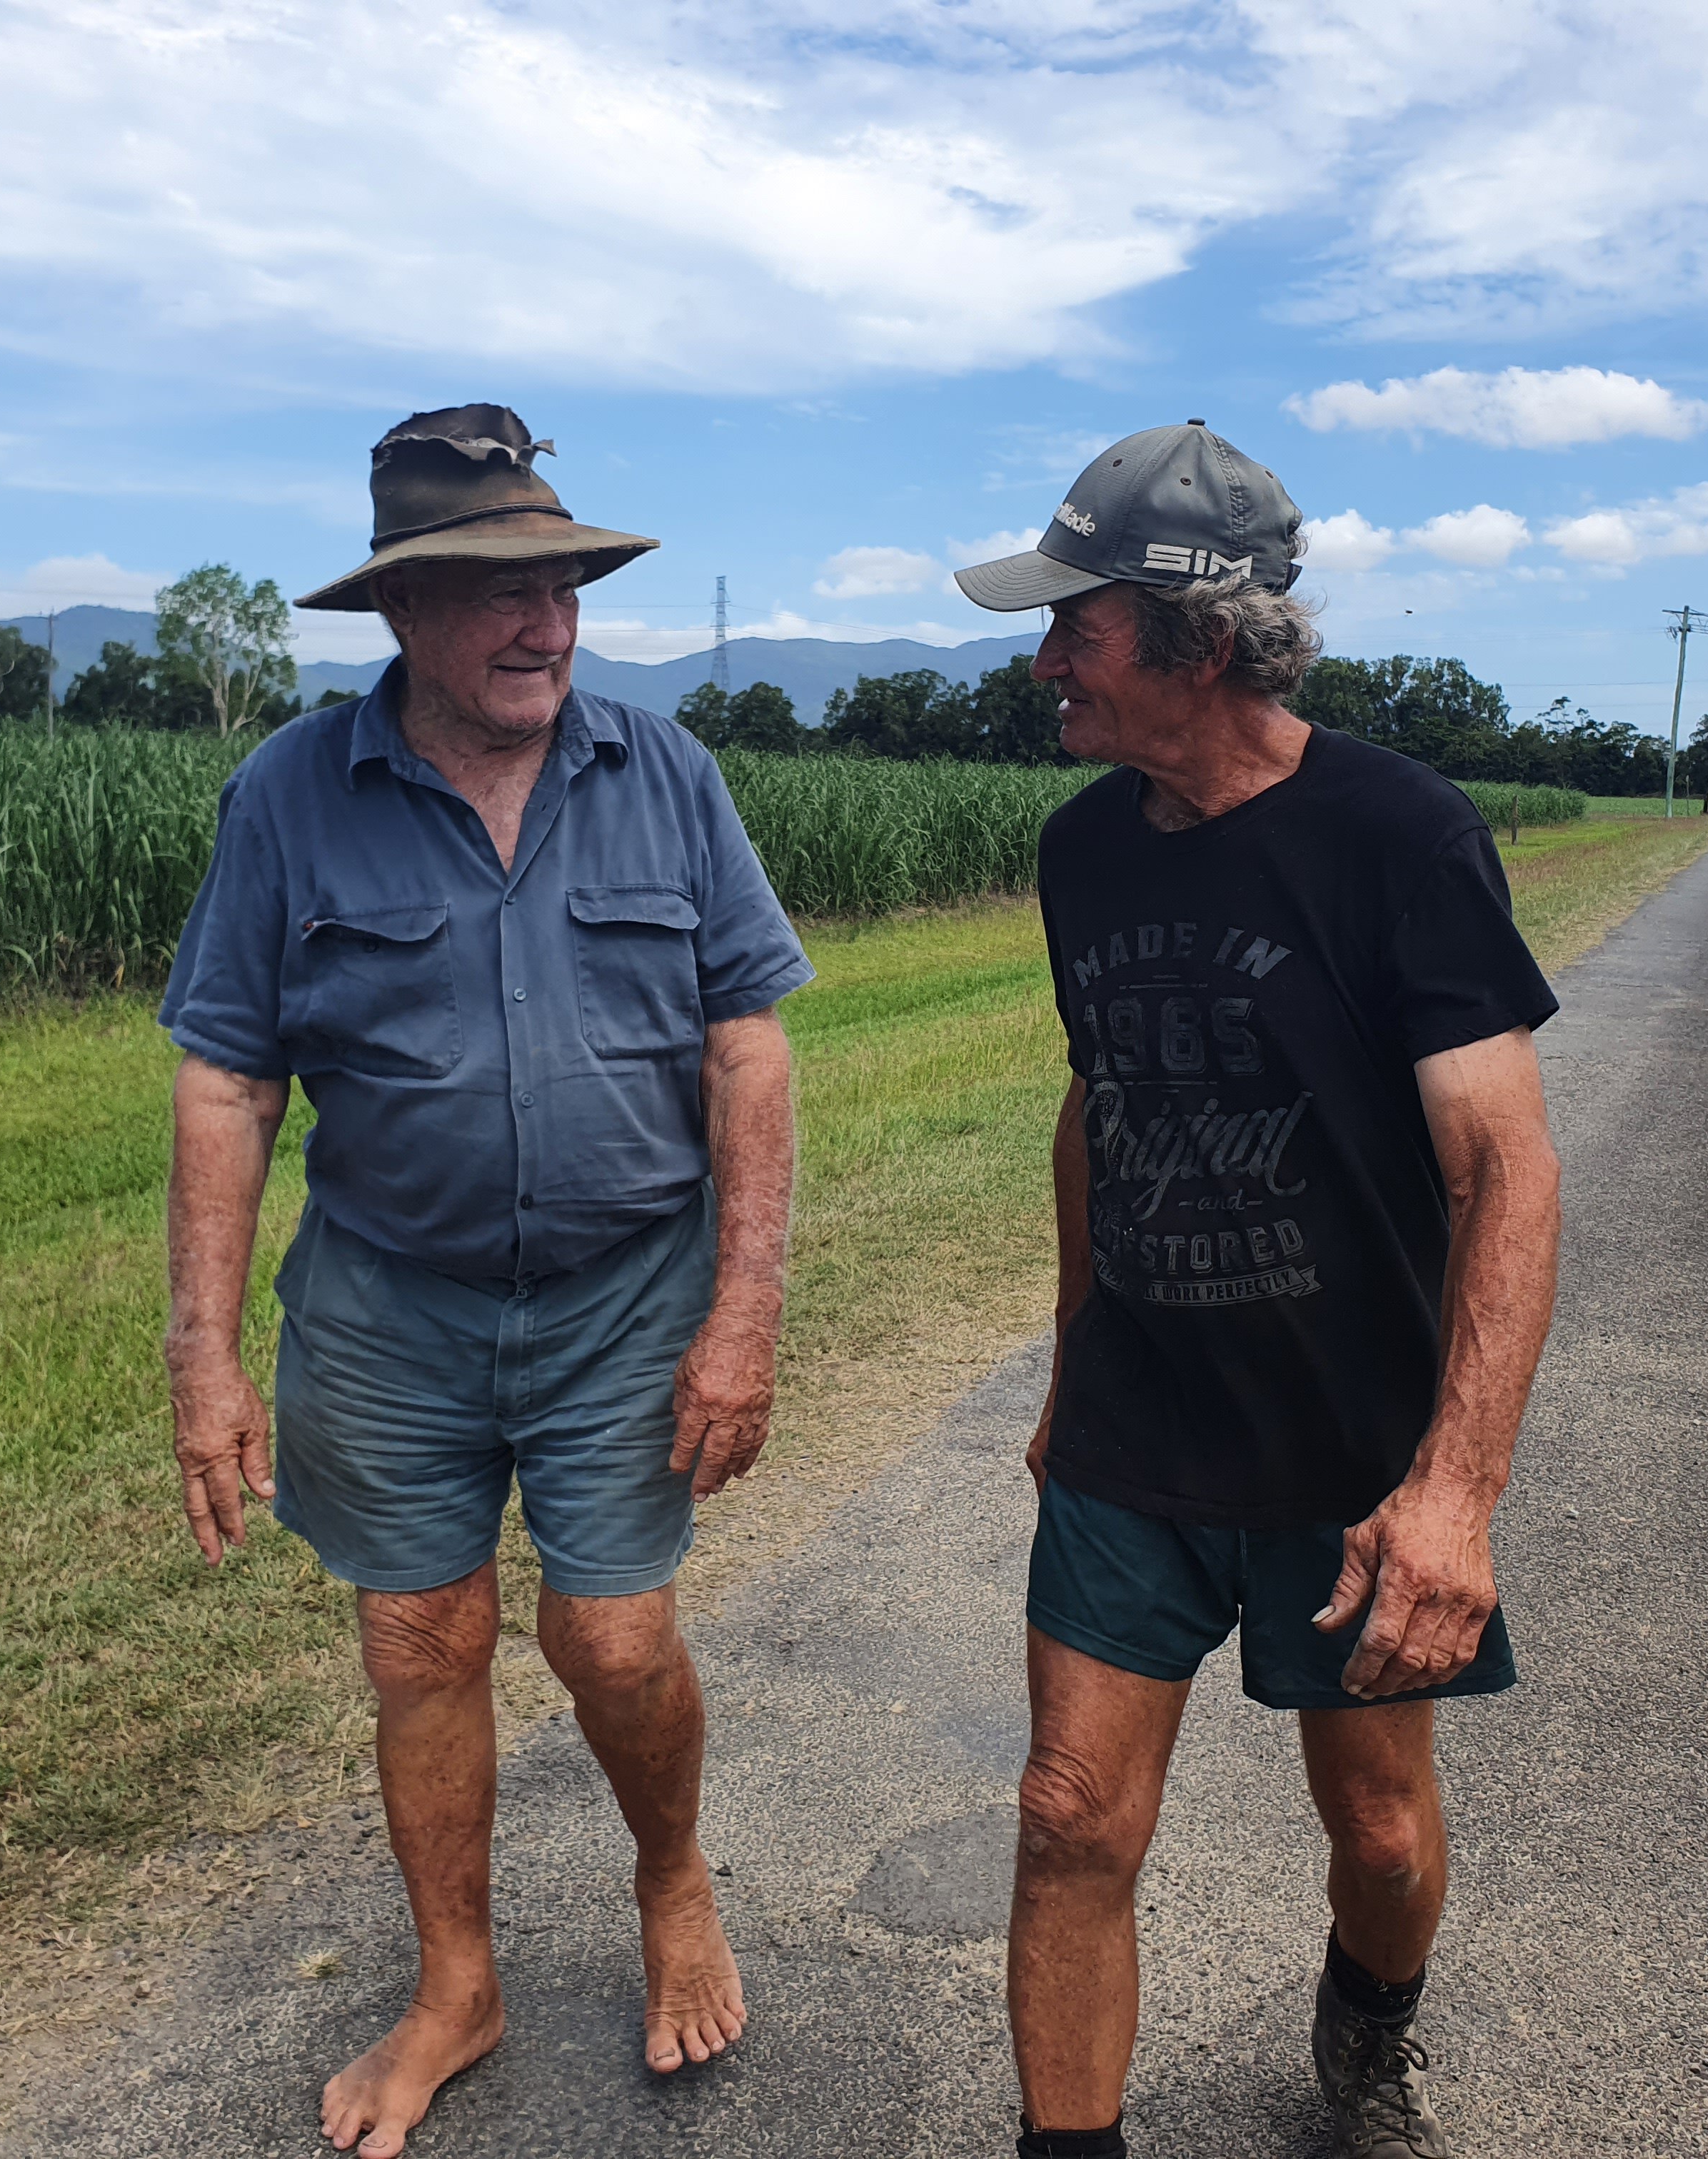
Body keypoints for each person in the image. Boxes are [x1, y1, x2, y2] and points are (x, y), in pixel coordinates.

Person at [158, 404, 811, 2158]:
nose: (547, 622)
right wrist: (203, 1356)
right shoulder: (290, 793)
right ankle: (459, 1984)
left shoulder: (665, 774)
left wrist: (744, 1316)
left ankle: (671, 1878)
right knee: (418, 1640)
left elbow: (747, 1049)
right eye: (498, 590)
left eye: (564, 585)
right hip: (387, 1306)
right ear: (400, 610)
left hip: (627, 1294)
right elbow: (229, 1079)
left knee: (611, 1637)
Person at [954, 422, 1564, 2159]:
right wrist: (1070, 1365)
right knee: (1070, 1815)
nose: (1044, 660)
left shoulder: (1401, 836)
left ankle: (1369, 2026)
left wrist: (1454, 1493)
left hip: (1350, 1451)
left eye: (1076, 624)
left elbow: (1506, 1172)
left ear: (1199, 640)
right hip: (1137, 1431)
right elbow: (1102, 1102)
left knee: (1379, 1834)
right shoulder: (1085, 850)